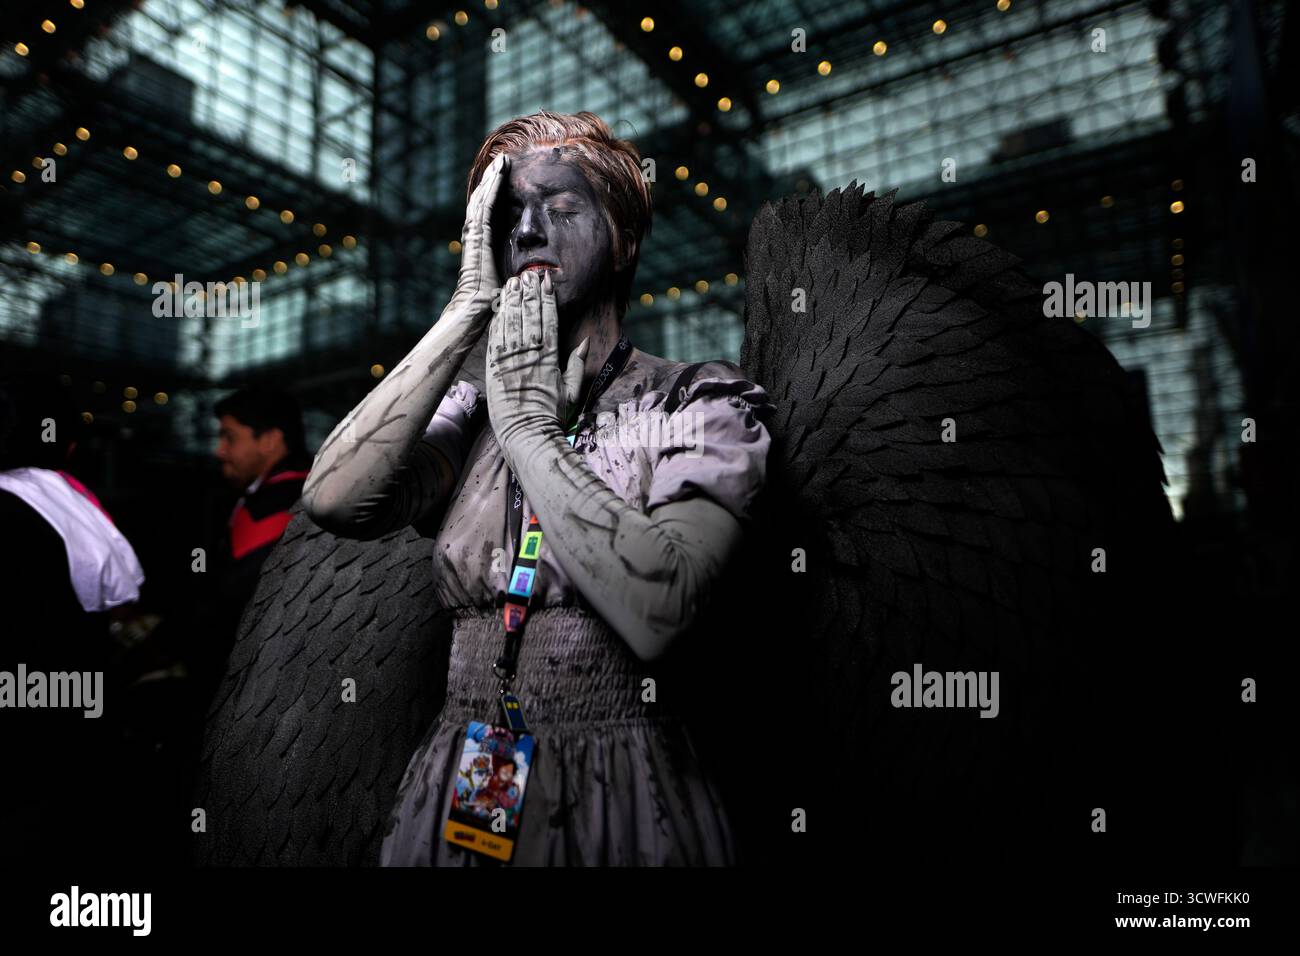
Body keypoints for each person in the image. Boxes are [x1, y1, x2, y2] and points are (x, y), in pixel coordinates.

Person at [303, 111, 774, 865]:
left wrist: (529, 430)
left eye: (560, 210)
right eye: (506, 216)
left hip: (624, 789)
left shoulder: (695, 401)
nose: (526, 232)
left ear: (622, 239)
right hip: (469, 780)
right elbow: (333, 498)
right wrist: (465, 309)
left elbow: (663, 609)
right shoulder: (470, 412)